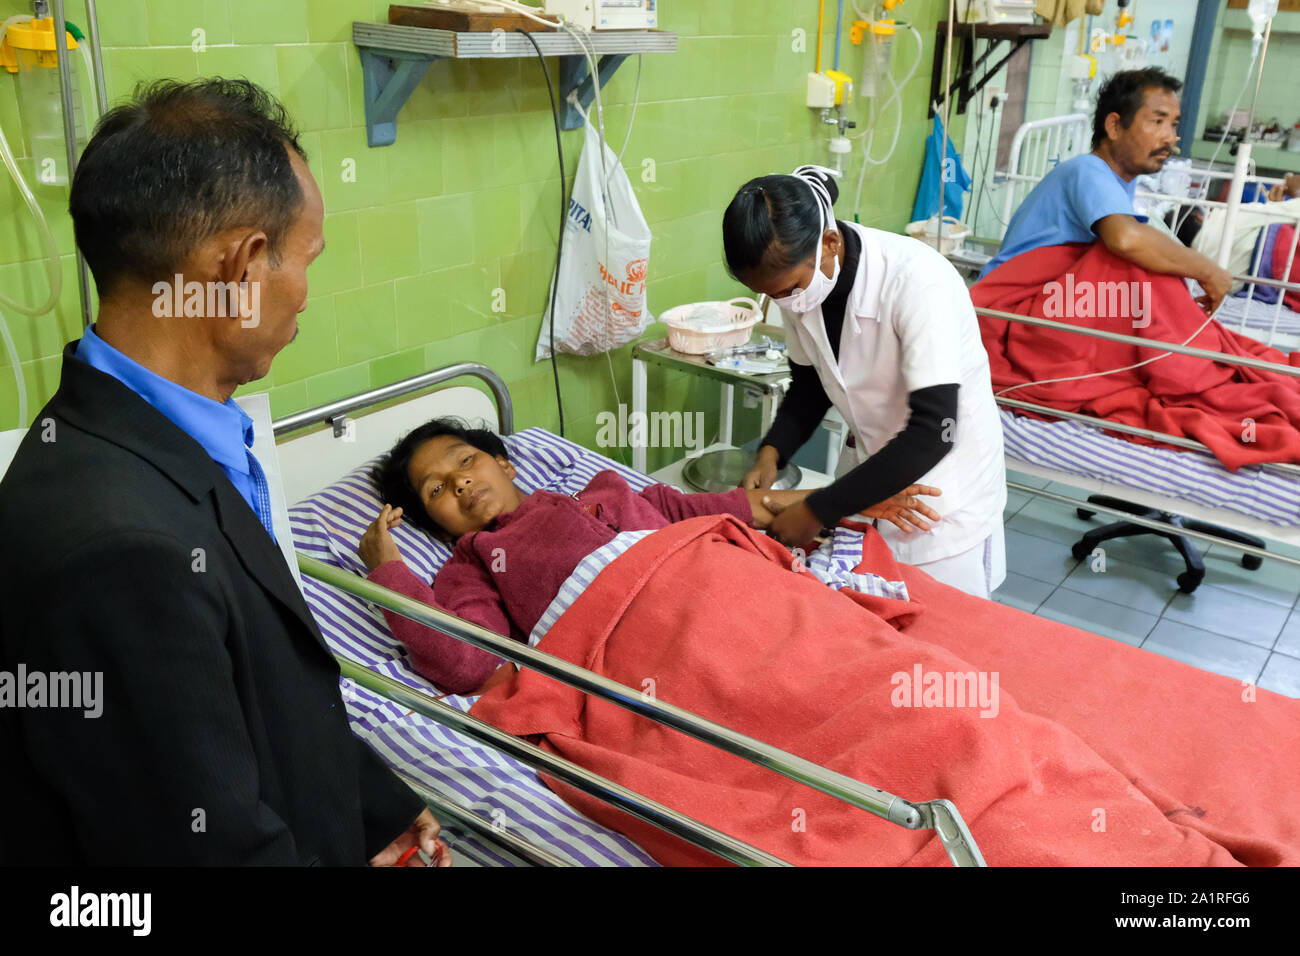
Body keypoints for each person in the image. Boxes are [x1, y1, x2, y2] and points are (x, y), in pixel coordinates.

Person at [0, 78, 448, 866]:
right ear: (241, 265)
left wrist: (368, 804)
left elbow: (254, 697)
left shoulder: (177, 436)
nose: (306, 295)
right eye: (305, 259)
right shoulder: (122, 553)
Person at [356, 418, 942, 695]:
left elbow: (746, 508)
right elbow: (465, 663)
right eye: (434, 491)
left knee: (874, 665)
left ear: (504, 463)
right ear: (435, 521)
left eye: (464, 461)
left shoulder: (608, 492)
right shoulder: (473, 564)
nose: (456, 484)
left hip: (736, 589)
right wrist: (387, 570)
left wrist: (853, 497)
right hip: (663, 648)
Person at [722, 166, 1008, 599]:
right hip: (872, 468)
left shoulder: (917, 282)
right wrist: (771, 454)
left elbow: (934, 432)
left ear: (830, 243)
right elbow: (811, 386)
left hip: (941, 493)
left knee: (944, 637)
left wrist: (816, 510)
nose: (782, 303)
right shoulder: (800, 280)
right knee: (869, 621)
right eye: (772, 295)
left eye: (787, 291)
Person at [980, 67, 1234, 315]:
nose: (1170, 137)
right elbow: (1126, 239)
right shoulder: (1088, 170)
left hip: (1052, 299)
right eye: (1157, 121)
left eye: (1173, 125)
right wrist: (1206, 270)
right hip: (1009, 305)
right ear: (1114, 126)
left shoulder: (1122, 181)